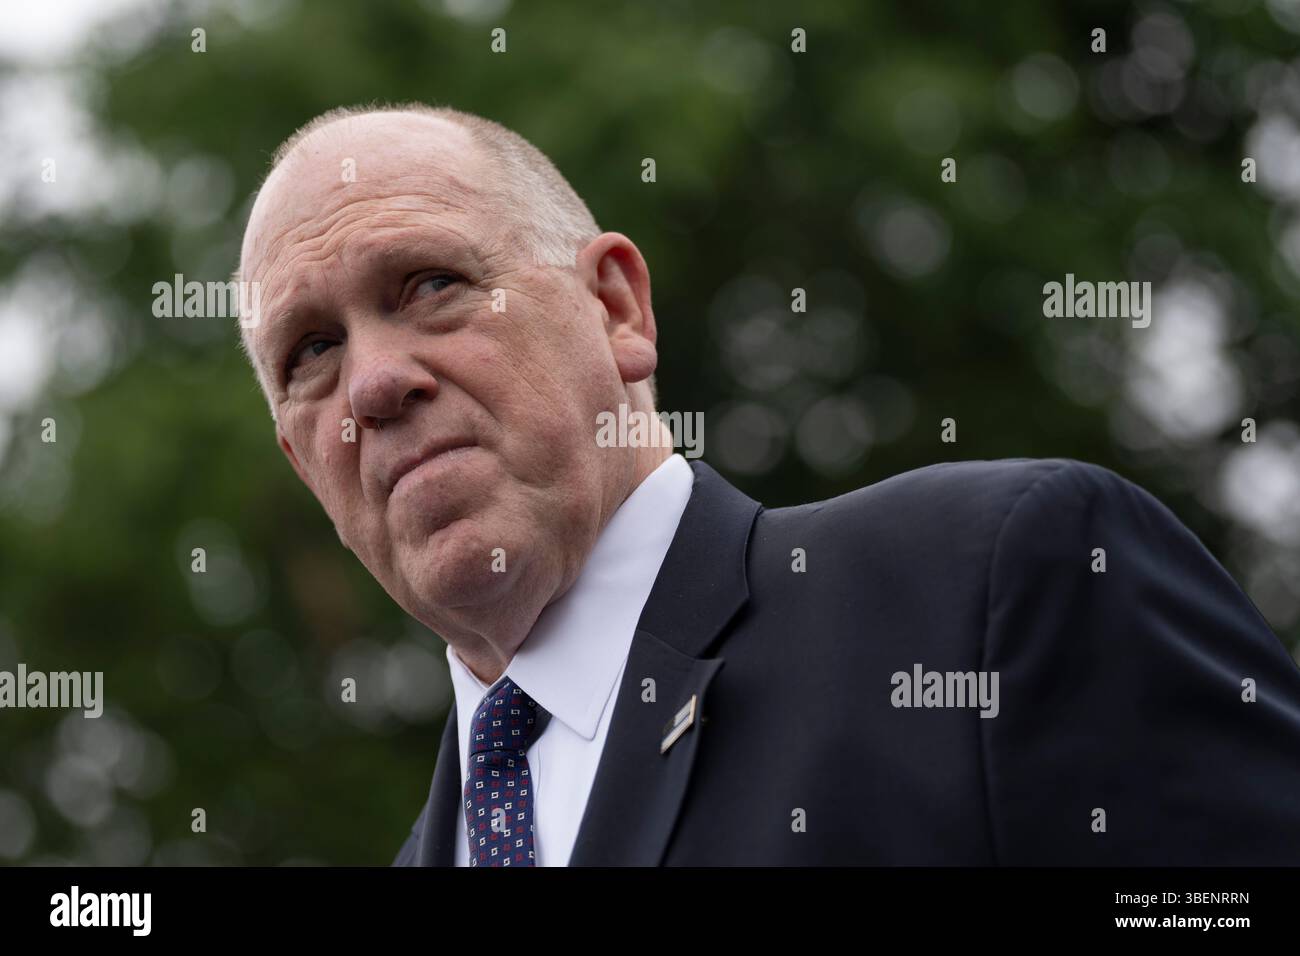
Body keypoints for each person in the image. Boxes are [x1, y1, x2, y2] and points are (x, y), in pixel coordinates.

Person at [236, 103, 1300, 866]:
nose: (373, 383)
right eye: (310, 352)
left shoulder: (989, 587)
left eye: (429, 284)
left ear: (615, 308)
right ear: (303, 459)